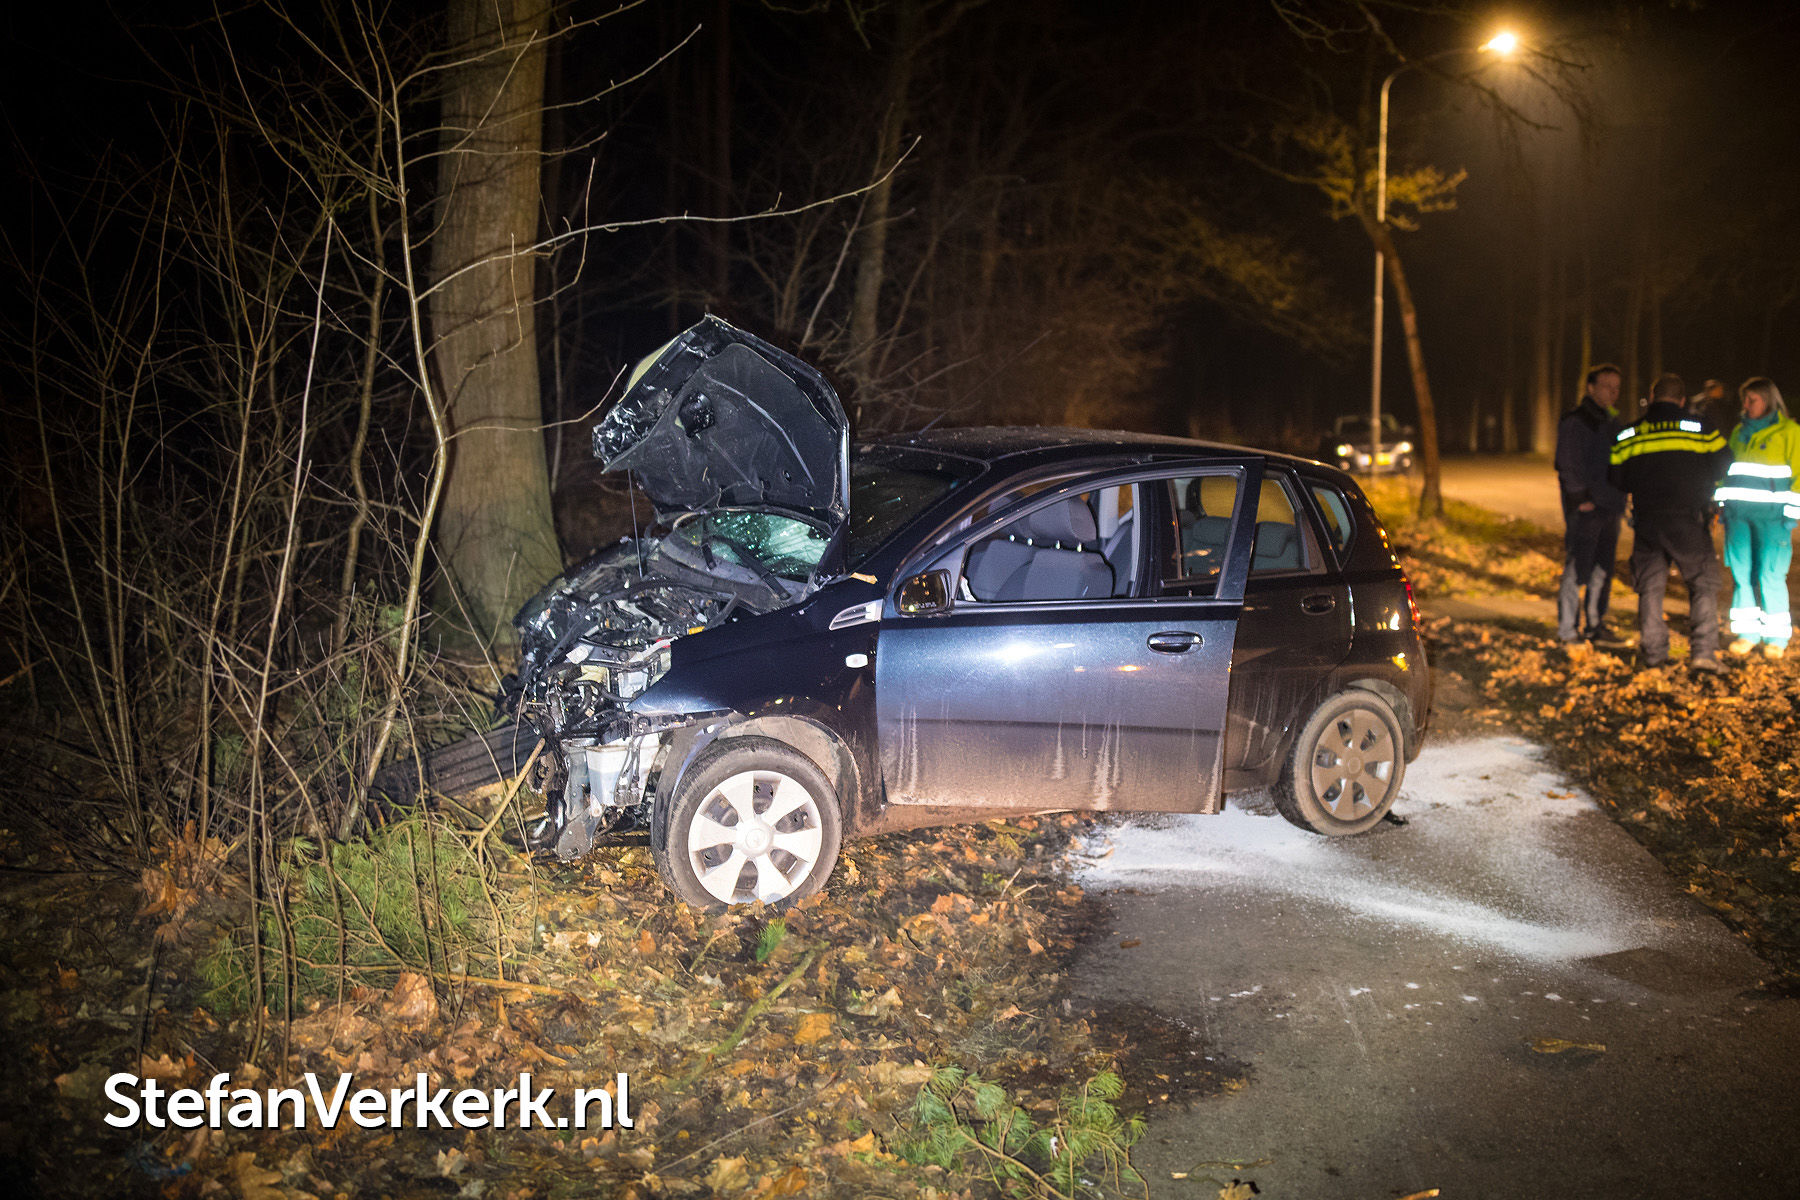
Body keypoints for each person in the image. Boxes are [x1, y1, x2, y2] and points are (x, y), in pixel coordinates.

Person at [1608, 372, 1731, 672]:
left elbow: (1616, 478)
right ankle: (1702, 653)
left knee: (1650, 587)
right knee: (1701, 584)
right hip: (1689, 520)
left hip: (1648, 520)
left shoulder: (1629, 433)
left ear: (1652, 398)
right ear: (1682, 400)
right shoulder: (1700, 430)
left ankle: (1654, 655)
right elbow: (1726, 463)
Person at [1715, 377, 1800, 659]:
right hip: (1738, 516)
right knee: (1742, 575)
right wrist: (1722, 506)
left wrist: (1791, 515)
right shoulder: (1739, 431)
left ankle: (1776, 637)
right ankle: (1747, 633)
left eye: (1753, 399)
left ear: (1769, 400)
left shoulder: (1790, 432)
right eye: (1745, 400)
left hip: (1773, 519)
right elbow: (1727, 473)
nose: (1746, 405)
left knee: (1770, 575)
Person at [1554, 364, 1626, 644]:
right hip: (1586, 509)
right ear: (1591, 387)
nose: (1613, 392)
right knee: (1577, 567)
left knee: (1603, 569)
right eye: (1608, 385)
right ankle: (1567, 630)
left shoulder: (1612, 422)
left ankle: (1596, 625)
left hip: (1610, 506)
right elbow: (1567, 463)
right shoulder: (1577, 421)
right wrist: (1580, 498)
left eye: (1617, 387)